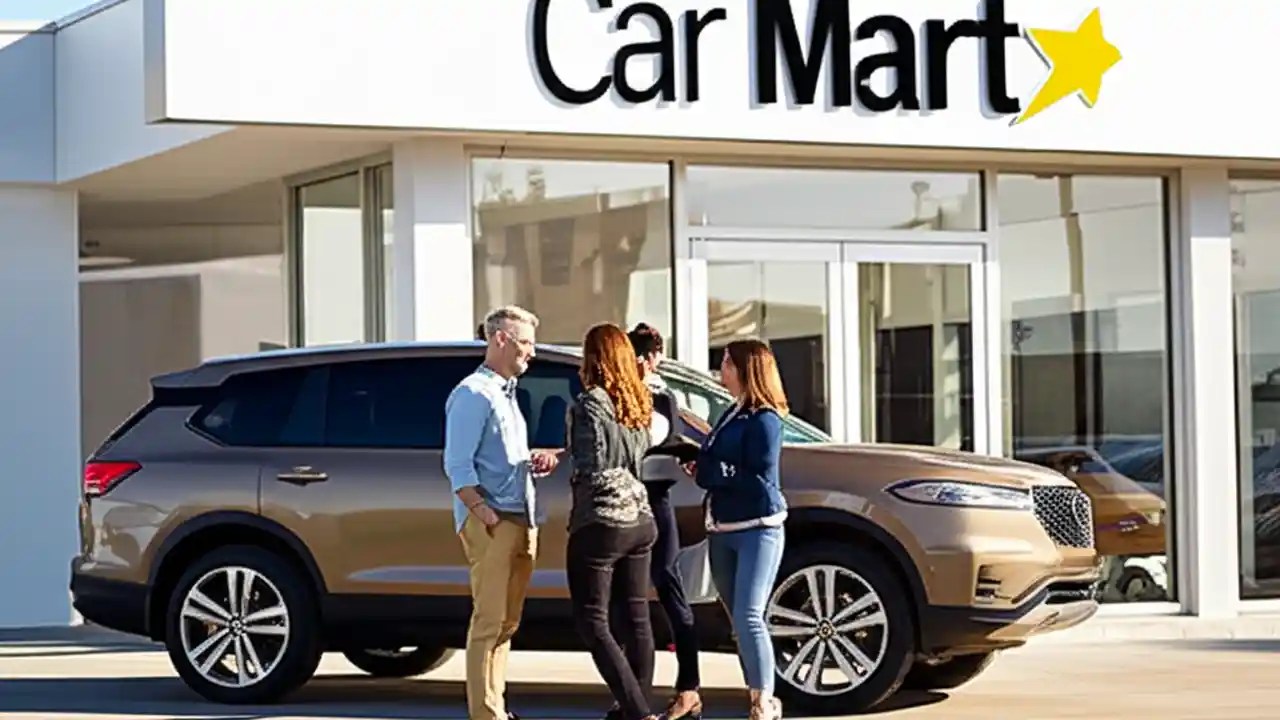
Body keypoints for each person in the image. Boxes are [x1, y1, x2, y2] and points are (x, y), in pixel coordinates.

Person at [444, 305, 560, 720]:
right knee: (489, 621)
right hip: (494, 521)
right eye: (526, 343)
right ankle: (485, 713)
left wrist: (536, 460)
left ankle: (497, 706)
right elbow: (457, 464)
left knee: (508, 623)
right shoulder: (473, 393)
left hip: (520, 516)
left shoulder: (506, 395)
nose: (531, 352)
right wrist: (483, 514)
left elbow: (497, 456)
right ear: (501, 339)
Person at [687, 339, 788, 720]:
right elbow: (718, 464)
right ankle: (755, 694)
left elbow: (758, 473)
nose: (721, 369)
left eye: (727, 362)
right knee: (738, 618)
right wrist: (703, 468)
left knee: (749, 614)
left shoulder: (766, 418)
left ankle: (764, 701)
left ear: (747, 369)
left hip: (758, 528)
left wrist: (714, 471)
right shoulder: (731, 412)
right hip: (722, 527)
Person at [605, 323, 701, 720]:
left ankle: (689, 689)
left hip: (655, 501)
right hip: (623, 503)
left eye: (649, 357)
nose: (648, 364)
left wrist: (697, 453)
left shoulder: (661, 397)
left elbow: (667, 440)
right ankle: (629, 696)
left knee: (669, 586)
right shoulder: (611, 396)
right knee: (623, 601)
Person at [565, 323, 661, 720]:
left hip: (601, 519)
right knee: (637, 615)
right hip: (641, 518)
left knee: (594, 622)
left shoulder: (590, 403)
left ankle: (638, 714)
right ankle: (631, 708)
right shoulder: (638, 402)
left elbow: (591, 466)